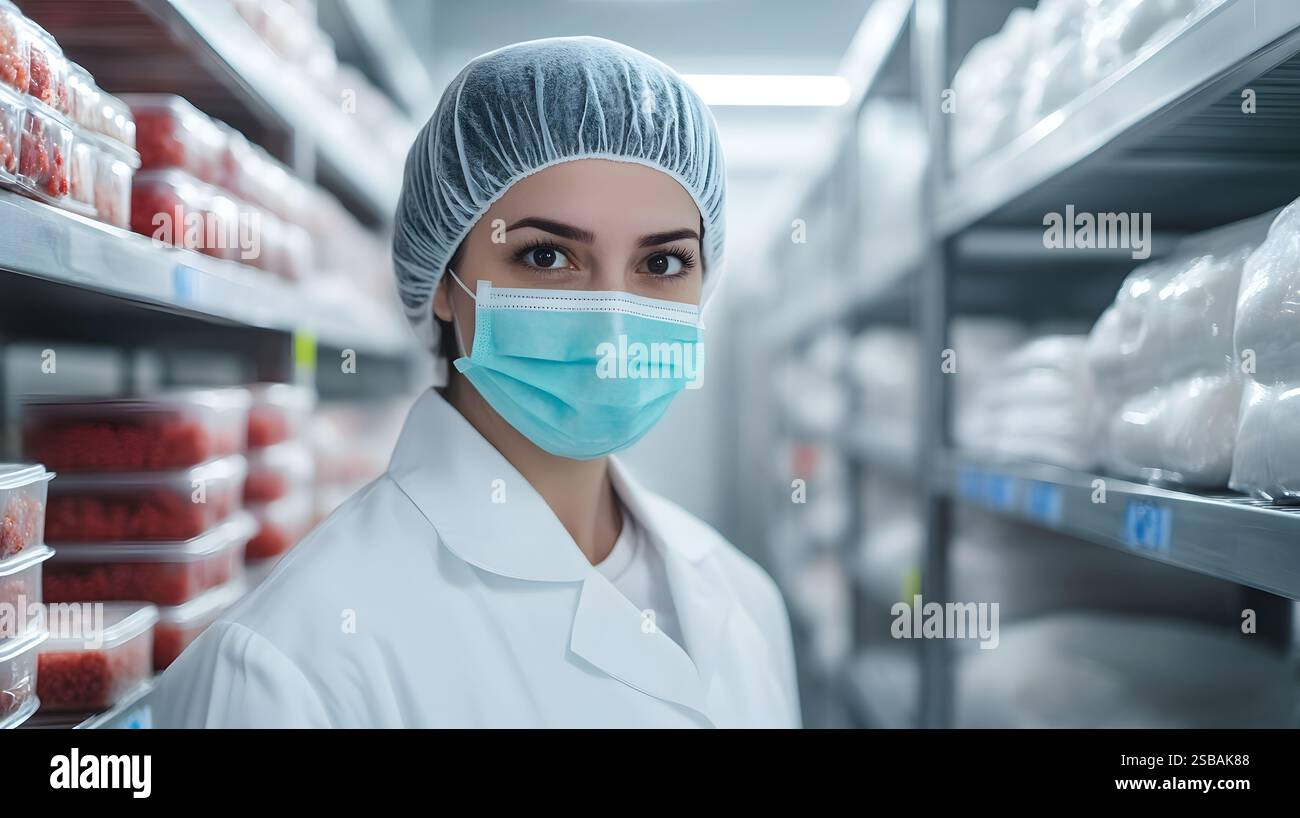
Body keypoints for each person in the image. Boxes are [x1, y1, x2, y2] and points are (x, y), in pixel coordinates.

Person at [152, 36, 800, 728]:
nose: (612, 330)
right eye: (546, 256)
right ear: (442, 281)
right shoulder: (287, 668)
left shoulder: (745, 598)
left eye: (664, 263)